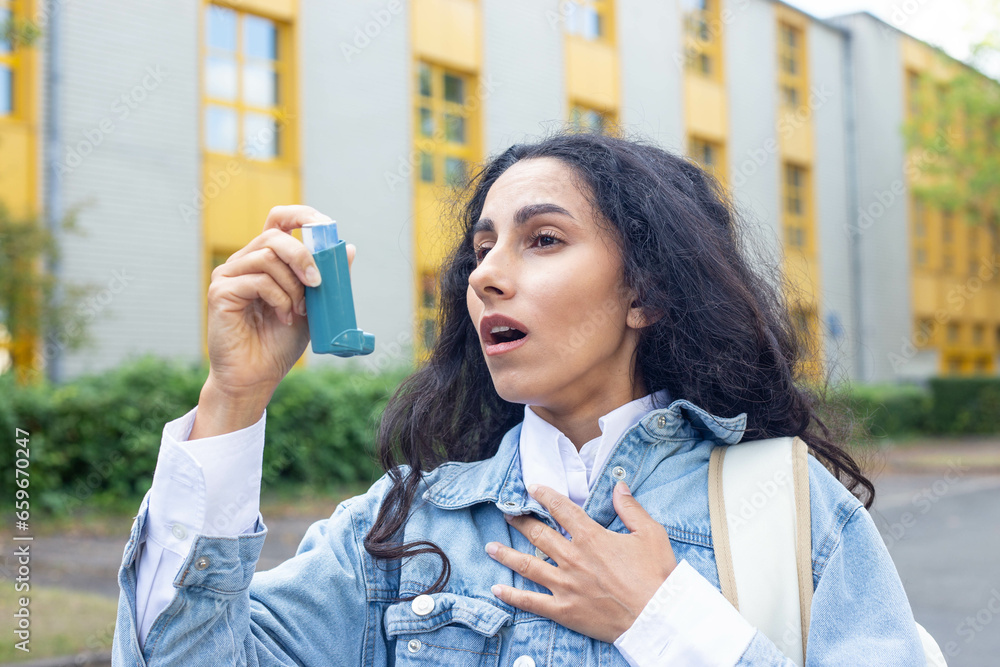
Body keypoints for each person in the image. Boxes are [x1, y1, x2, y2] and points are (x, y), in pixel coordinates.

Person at [112, 132, 924, 665]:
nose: (488, 273)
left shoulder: (782, 502)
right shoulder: (398, 528)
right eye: (482, 247)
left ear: (646, 293)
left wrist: (668, 619)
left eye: (543, 239)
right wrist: (232, 399)